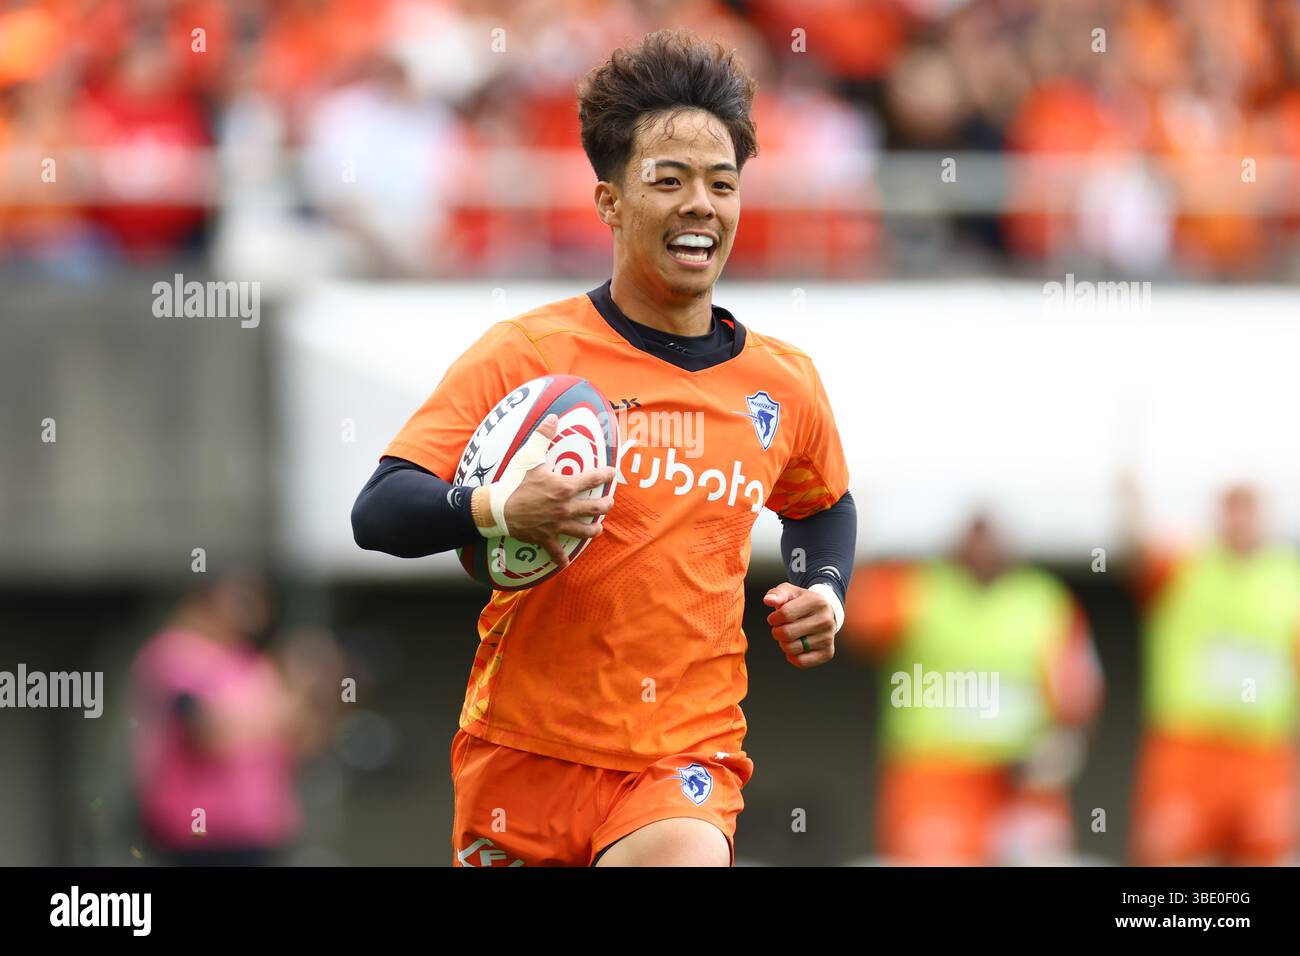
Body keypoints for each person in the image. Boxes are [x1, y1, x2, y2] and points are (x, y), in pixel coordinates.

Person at [351, 29, 857, 867]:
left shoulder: (784, 384)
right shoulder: (528, 354)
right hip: (521, 754)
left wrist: (826, 590)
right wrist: (499, 507)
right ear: (610, 202)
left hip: (682, 760)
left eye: (722, 184)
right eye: (670, 180)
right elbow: (381, 510)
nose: (702, 203)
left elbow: (823, 505)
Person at [842, 515, 1103, 865]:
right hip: (933, 777)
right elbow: (854, 618)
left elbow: (1080, 696)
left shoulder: (1044, 600)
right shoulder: (918, 588)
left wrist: (1063, 746)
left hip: (1022, 784)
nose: (983, 548)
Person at [1127, 484, 1300, 865]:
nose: (1240, 521)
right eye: (1231, 510)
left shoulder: (1290, 579)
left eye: (1248, 510)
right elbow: (1134, 545)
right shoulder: (1186, 565)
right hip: (1188, 747)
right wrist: (1127, 477)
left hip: (1262, 752)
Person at [129, 572, 342, 866]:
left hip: (259, 831)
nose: (253, 607)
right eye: (241, 596)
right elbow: (206, 732)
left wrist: (316, 692)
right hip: (197, 835)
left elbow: (306, 742)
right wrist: (286, 706)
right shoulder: (174, 654)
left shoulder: (252, 663)